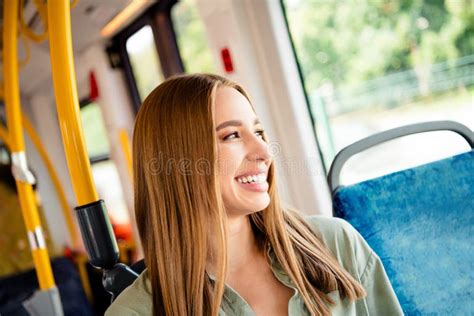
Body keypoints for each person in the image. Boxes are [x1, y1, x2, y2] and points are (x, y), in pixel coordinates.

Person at [105, 74, 402, 316]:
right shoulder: (135, 312)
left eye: (259, 132)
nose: (264, 152)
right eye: (231, 135)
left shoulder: (337, 244)